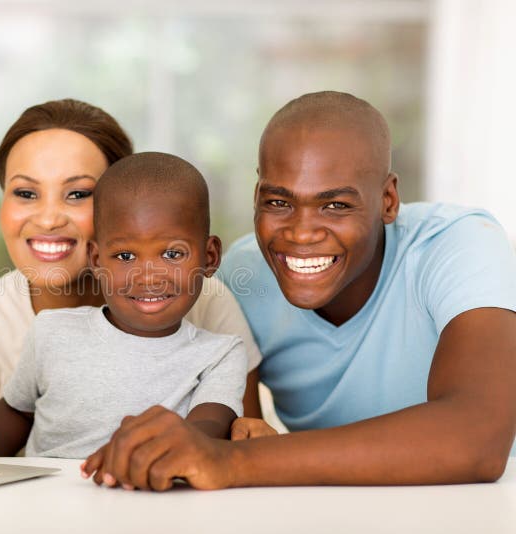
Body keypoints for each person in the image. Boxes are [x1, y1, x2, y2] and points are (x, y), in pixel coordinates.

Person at [81, 91, 516, 490]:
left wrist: (232, 461)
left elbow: (478, 436)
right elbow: (227, 422)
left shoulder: (459, 243)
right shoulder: (240, 278)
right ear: (257, 196)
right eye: (279, 202)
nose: (302, 233)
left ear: (387, 199)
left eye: (336, 205)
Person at [0, 99, 265, 459]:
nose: (48, 219)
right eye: (25, 193)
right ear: (97, 257)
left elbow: (233, 443)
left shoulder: (209, 310)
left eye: (78, 194)